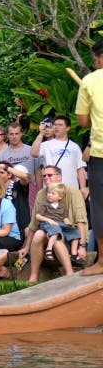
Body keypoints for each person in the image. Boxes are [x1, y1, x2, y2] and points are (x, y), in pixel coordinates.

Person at [17, 166, 88, 281]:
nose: (45, 178)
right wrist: (26, 247)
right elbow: (34, 223)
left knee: (56, 235)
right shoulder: (41, 193)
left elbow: (81, 221)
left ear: (59, 177)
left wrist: (82, 246)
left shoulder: (73, 191)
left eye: (50, 175)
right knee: (39, 233)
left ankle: (69, 273)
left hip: (68, 234)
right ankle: (33, 276)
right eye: (44, 175)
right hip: (46, 230)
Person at [76, 37, 103, 275]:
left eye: (94, 60)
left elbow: (83, 121)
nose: (94, 64)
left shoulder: (90, 81)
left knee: (100, 207)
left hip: (101, 153)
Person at [30, 115, 87, 194]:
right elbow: (33, 153)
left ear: (68, 128)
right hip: (52, 191)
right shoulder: (45, 145)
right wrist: (41, 133)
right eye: (55, 125)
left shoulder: (74, 146)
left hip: (72, 190)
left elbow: (80, 169)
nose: (56, 127)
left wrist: (83, 188)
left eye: (60, 125)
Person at [34, 183, 80, 261]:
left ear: (60, 197)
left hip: (59, 224)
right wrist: (49, 220)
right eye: (49, 192)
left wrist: (68, 223)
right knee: (56, 230)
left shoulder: (62, 206)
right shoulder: (44, 204)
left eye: (53, 193)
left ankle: (74, 253)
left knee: (75, 232)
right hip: (47, 223)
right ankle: (49, 250)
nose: (49, 195)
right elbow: (38, 216)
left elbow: (64, 218)